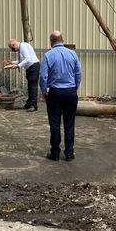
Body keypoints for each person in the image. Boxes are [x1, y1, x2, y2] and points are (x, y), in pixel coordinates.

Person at [39, 30, 82, 161]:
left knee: (55, 123)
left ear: (51, 42)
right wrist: (75, 88)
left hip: (55, 93)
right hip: (70, 92)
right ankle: (69, 154)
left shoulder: (48, 55)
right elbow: (78, 74)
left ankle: (55, 153)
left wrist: (44, 92)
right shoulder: (72, 54)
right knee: (69, 124)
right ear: (62, 41)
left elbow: (43, 76)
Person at [4, 38, 41, 111]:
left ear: (14, 44)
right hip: (31, 67)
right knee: (30, 87)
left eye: (12, 48)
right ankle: (29, 104)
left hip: (33, 67)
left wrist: (18, 66)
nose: (13, 50)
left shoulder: (23, 46)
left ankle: (33, 105)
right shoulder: (22, 47)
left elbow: (27, 59)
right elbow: (21, 61)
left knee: (33, 87)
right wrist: (11, 62)